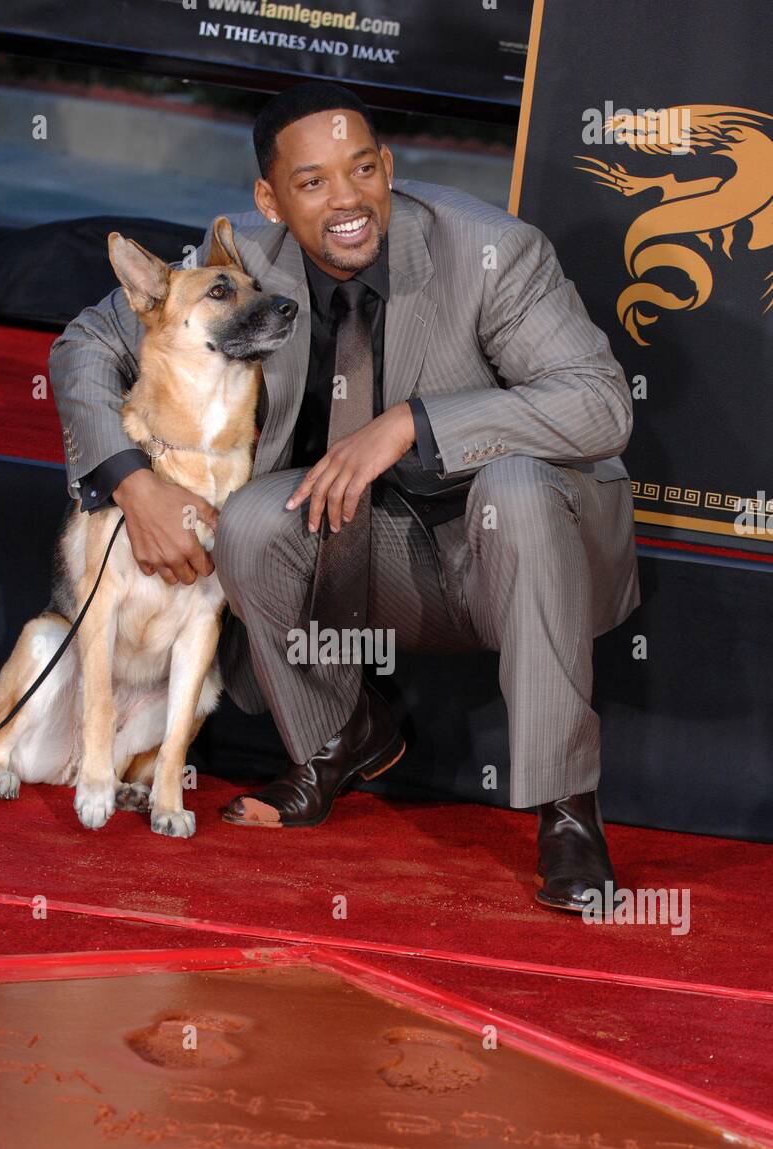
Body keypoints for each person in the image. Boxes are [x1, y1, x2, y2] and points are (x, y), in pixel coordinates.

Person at [49, 81, 641, 912]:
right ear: (270, 198)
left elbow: (600, 404)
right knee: (251, 520)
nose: (347, 201)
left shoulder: (492, 251)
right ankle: (341, 735)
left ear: (387, 166)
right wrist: (130, 480)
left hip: (511, 540)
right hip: (367, 543)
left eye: (362, 169)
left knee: (516, 484)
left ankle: (568, 813)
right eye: (313, 182)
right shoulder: (244, 258)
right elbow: (85, 342)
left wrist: (411, 423)